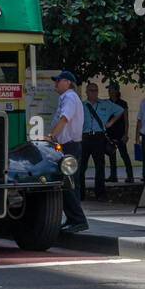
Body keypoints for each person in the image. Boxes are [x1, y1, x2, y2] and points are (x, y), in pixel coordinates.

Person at [44, 71, 87, 233]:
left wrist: (51, 135)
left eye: (58, 81)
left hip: (69, 146)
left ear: (68, 82)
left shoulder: (69, 97)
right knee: (70, 184)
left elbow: (64, 118)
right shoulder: (68, 97)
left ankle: (78, 219)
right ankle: (72, 219)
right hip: (69, 145)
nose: (55, 84)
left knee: (67, 184)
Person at [78, 82, 107, 202]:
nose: (93, 93)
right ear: (86, 92)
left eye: (95, 90)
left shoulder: (103, 104)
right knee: (81, 166)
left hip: (98, 136)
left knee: (100, 166)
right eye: (91, 90)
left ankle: (100, 194)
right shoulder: (82, 105)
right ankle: (80, 194)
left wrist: (108, 124)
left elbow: (121, 110)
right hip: (85, 136)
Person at [102, 82, 134, 184]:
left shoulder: (123, 103)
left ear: (116, 90)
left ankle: (130, 176)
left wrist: (126, 134)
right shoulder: (107, 103)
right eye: (109, 90)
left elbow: (126, 120)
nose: (109, 91)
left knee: (124, 155)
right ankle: (113, 176)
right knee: (111, 155)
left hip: (120, 134)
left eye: (111, 89)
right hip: (110, 134)